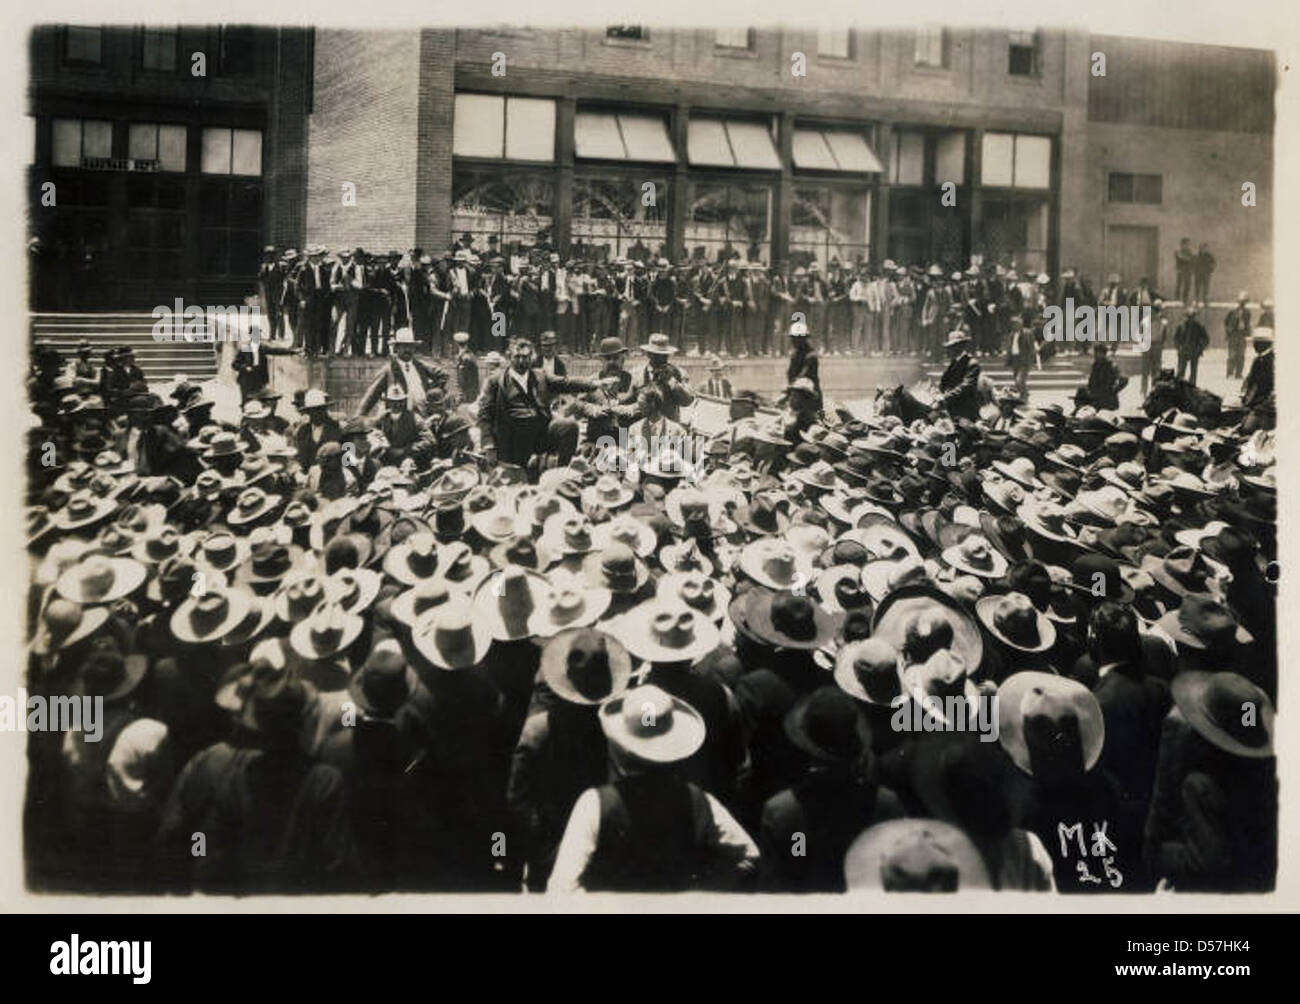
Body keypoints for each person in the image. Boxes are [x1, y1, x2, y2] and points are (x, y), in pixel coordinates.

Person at [548, 685, 759, 892]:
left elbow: (561, 888)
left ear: (618, 749)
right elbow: (749, 855)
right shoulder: (699, 800)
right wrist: (701, 893)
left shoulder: (594, 804)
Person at [476, 338, 596, 467]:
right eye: (517, 357)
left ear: (531, 358)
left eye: (525, 357)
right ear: (509, 356)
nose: (521, 361)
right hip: (511, 439)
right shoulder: (496, 382)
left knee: (569, 426)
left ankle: (559, 471)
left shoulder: (540, 376)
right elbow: (484, 415)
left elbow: (566, 383)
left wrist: (594, 384)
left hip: (540, 436)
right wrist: (489, 446)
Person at [357, 327, 448, 417]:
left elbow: (443, 375)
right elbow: (371, 396)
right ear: (396, 348)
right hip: (399, 418)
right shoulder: (388, 370)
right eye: (404, 346)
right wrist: (358, 417)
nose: (407, 350)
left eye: (410, 346)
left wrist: (431, 393)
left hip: (422, 415)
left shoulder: (419, 365)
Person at [636, 333, 694, 423]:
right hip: (643, 428)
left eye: (665, 355)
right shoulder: (638, 374)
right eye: (656, 355)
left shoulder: (679, 373)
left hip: (669, 429)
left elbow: (687, 401)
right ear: (648, 354)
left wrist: (671, 381)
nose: (661, 359)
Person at [937, 329, 980, 421]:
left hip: (965, 411)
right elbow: (944, 383)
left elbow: (966, 386)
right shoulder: (953, 363)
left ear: (961, 347)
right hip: (951, 408)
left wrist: (945, 397)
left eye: (953, 346)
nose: (949, 350)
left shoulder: (971, 363)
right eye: (950, 346)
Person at [1240, 327, 1275, 431]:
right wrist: (1246, 399)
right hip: (1256, 405)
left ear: (1264, 344)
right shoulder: (1258, 360)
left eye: (1256, 343)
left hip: (1267, 409)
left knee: (1247, 429)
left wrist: (1257, 406)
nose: (1254, 345)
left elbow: (1273, 392)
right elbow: (1250, 382)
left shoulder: (1272, 361)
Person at [1139, 300, 1168, 397]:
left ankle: (1152, 391)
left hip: (1155, 345)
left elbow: (1164, 336)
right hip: (1151, 346)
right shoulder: (1145, 322)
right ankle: (1144, 392)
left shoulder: (1163, 322)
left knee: (1154, 370)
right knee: (1147, 370)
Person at [1174, 307, 1209, 386]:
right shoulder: (1181, 326)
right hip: (1184, 350)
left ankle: (1191, 387)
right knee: (1181, 370)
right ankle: (1179, 387)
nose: (1190, 319)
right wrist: (1179, 347)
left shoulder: (1199, 326)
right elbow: (1176, 338)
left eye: (1192, 317)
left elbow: (1205, 339)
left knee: (1193, 371)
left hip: (1194, 350)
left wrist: (1200, 348)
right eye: (1189, 317)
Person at [1085, 344, 1125, 411]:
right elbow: (1092, 381)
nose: (1095, 355)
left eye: (1097, 353)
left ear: (1103, 354)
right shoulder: (1096, 365)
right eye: (1095, 353)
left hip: (1107, 403)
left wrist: (1113, 391)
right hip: (1095, 401)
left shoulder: (1111, 366)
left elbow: (1124, 380)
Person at [1224, 291, 1251, 379]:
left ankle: (1238, 373)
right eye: (1241, 302)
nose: (1242, 304)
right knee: (1232, 355)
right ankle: (1230, 373)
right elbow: (1226, 321)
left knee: (1241, 355)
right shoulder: (1232, 312)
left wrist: (1247, 332)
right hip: (1234, 335)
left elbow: (1247, 324)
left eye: (1244, 303)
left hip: (1241, 335)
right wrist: (1229, 331)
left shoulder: (1247, 313)